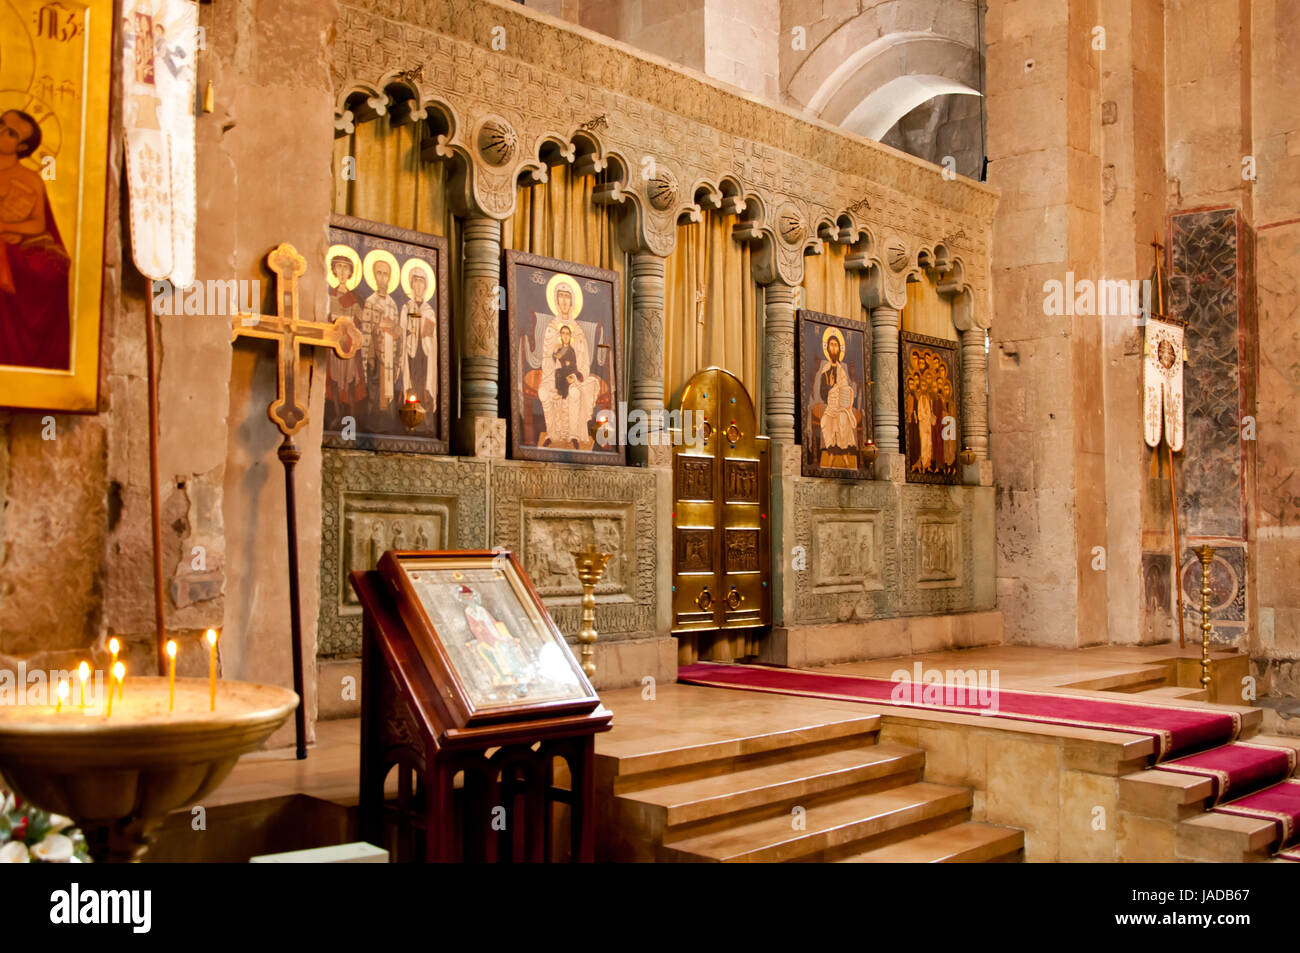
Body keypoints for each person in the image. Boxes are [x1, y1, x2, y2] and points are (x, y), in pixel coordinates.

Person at [0, 109, 70, 371]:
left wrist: (7, 227)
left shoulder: (30, 180)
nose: (0, 132)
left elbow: (39, 224)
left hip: (13, 245)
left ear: (20, 146)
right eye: (1, 123)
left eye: (10, 133)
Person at [537, 281, 601, 448]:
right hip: (554, 376)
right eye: (561, 297)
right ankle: (552, 434)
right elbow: (547, 359)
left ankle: (573, 435)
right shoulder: (551, 329)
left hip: (574, 378)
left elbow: (584, 363)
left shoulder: (578, 332)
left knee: (574, 393)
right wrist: (551, 381)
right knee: (544, 392)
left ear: (572, 301)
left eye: (567, 297)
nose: (564, 301)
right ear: (556, 301)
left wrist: (577, 377)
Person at [325, 252, 365, 422]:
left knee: (350, 379)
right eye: (338, 267)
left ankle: (351, 415)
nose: (342, 271)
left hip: (350, 343)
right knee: (334, 377)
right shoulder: (329, 296)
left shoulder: (355, 298)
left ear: (350, 272)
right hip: (334, 342)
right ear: (333, 270)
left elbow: (361, 318)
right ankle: (336, 412)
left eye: (346, 268)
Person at [813, 328, 857, 468]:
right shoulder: (824, 368)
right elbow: (821, 391)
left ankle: (842, 456)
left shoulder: (842, 368)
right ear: (827, 347)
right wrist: (831, 387)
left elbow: (847, 387)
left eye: (836, 345)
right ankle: (831, 452)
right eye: (831, 344)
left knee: (843, 419)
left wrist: (845, 395)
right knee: (826, 421)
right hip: (829, 405)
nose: (833, 347)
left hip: (842, 406)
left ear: (839, 348)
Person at [397, 262, 437, 413]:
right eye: (416, 282)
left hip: (425, 352)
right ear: (411, 284)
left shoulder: (429, 310)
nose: (418, 286)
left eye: (421, 282)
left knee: (423, 379)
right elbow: (400, 331)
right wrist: (408, 332)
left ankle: (423, 410)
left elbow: (432, 336)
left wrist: (425, 333)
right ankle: (410, 408)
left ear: (425, 286)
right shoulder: (406, 308)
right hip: (410, 351)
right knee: (411, 379)